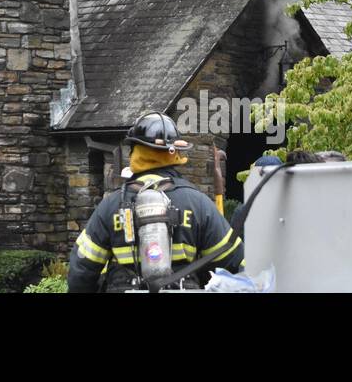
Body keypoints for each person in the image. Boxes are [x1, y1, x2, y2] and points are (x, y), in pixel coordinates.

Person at [68, 112, 244, 293]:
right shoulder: (198, 204)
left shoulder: (110, 206)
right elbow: (235, 262)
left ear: (135, 151)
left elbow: (81, 271)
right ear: (175, 153)